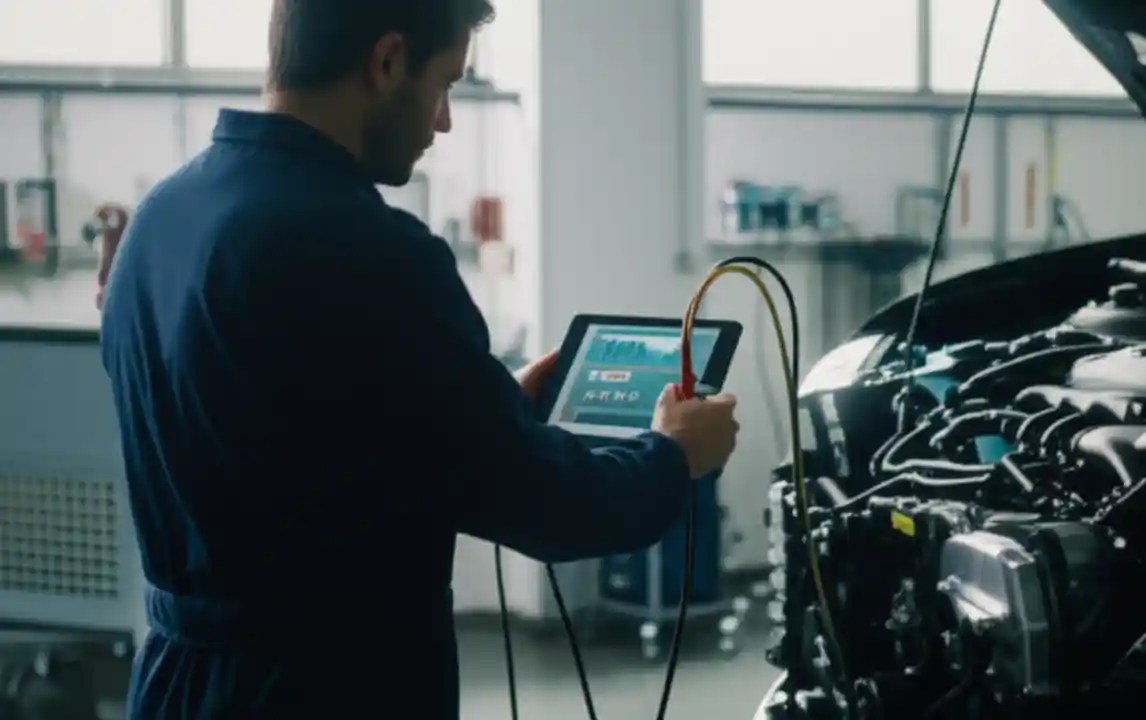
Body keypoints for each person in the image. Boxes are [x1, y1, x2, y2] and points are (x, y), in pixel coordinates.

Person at [97, 1, 740, 718]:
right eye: (448, 84)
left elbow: (303, 447)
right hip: (326, 690)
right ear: (388, 62)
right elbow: (549, 507)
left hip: (176, 684)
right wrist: (672, 456)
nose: (443, 121)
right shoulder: (372, 252)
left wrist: (491, 409)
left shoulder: (161, 218)